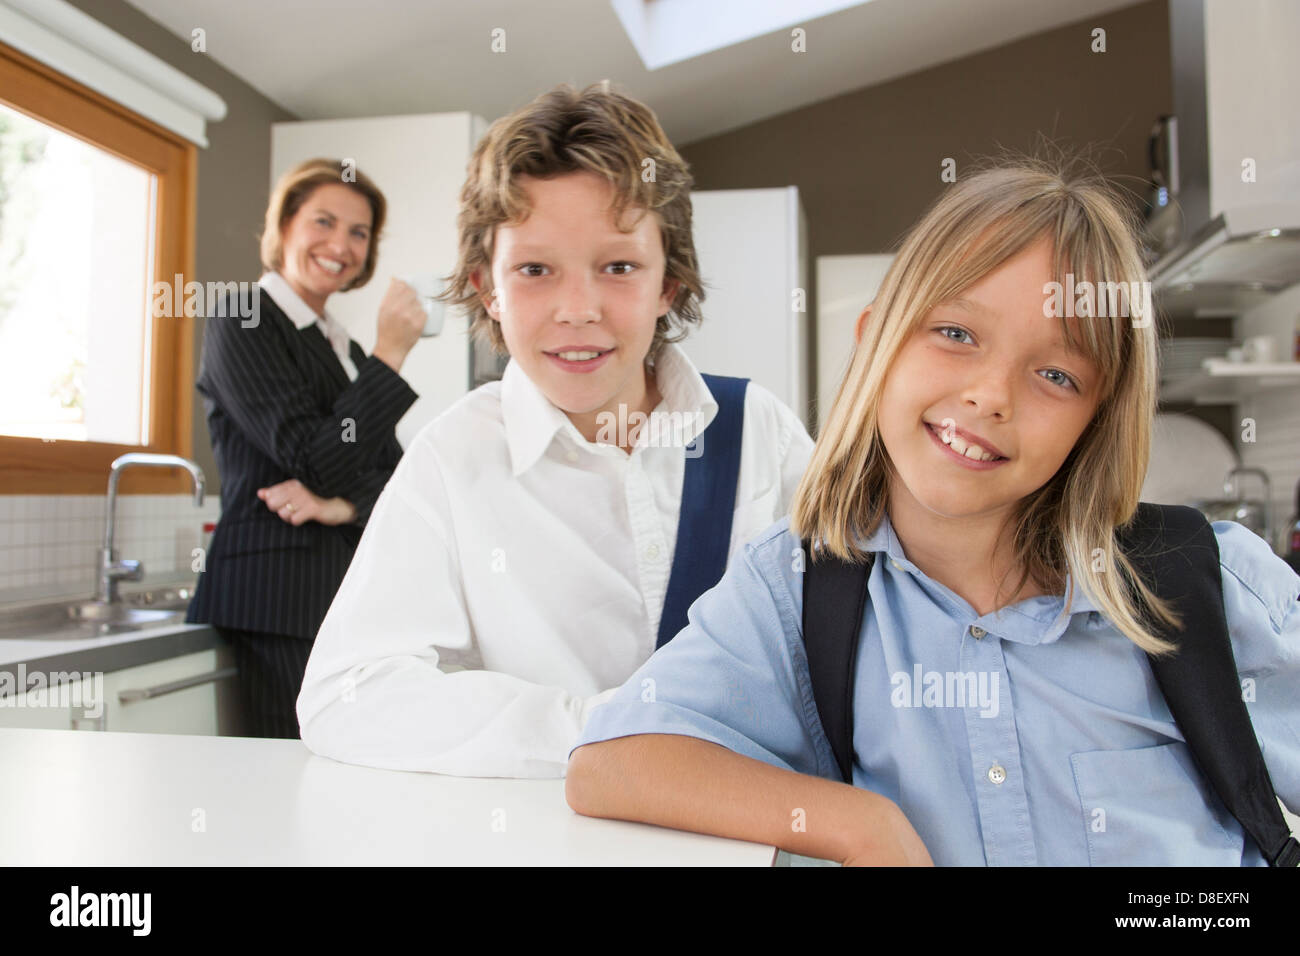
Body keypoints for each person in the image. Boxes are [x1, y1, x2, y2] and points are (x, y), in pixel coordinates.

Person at [565, 159, 1300, 865]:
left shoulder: (1214, 585)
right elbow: (612, 765)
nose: (991, 394)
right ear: (876, 342)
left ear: (1095, 418)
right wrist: (861, 825)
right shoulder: (795, 585)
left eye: (1055, 373)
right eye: (956, 334)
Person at [296, 82, 815, 777]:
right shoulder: (452, 460)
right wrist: (600, 729)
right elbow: (346, 695)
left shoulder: (761, 435)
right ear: (489, 289)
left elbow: (852, 643)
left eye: (619, 266)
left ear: (669, 282)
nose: (578, 309)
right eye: (535, 270)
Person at [186, 158, 426, 738]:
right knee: (297, 780)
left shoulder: (337, 345)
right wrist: (391, 355)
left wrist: (341, 506)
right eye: (323, 221)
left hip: (342, 595)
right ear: (286, 226)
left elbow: (398, 475)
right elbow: (314, 457)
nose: (340, 244)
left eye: (358, 233)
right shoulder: (243, 317)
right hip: (277, 600)